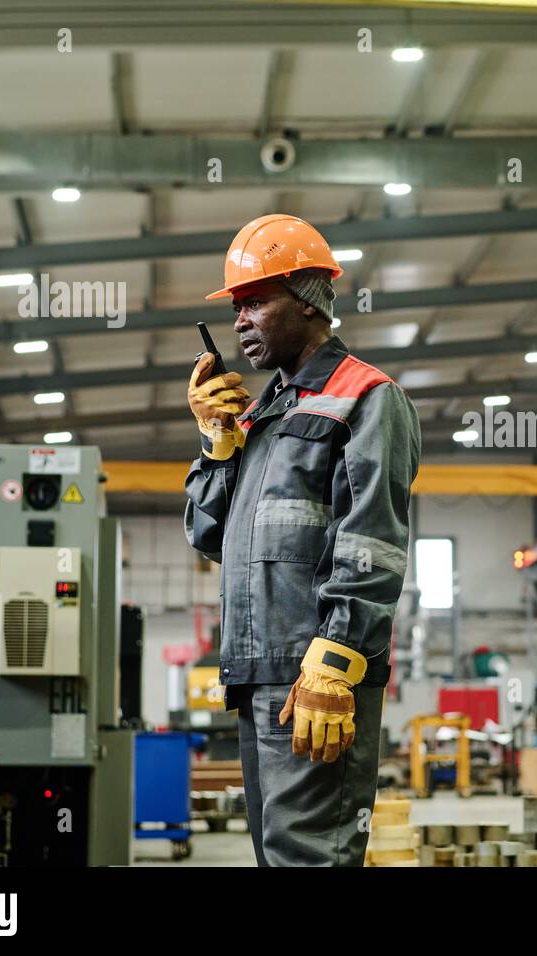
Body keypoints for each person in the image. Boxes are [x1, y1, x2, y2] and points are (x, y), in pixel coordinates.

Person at [184, 214, 420, 866]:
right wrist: (218, 443)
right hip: (259, 679)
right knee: (279, 858)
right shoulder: (262, 418)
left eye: (255, 301)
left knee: (308, 858)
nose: (239, 321)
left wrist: (335, 661)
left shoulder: (366, 398)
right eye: (235, 306)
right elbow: (209, 535)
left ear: (308, 300)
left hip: (313, 683)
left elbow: (371, 541)